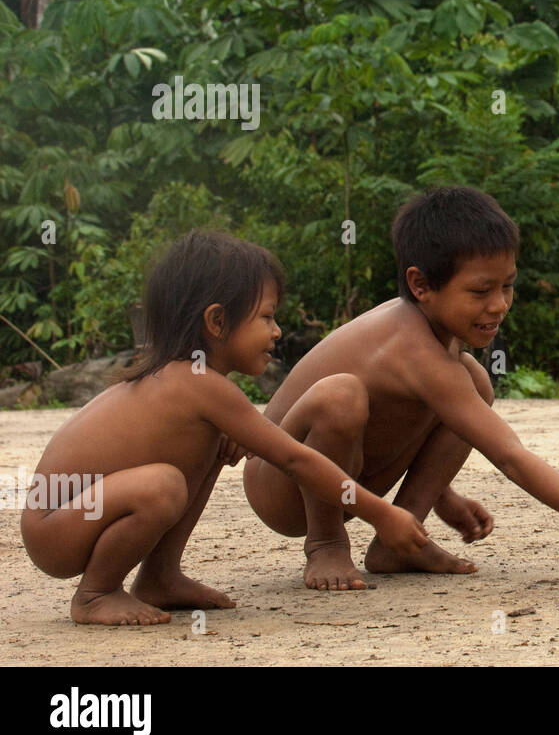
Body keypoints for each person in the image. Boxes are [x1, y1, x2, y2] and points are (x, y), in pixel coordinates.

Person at [243, 185, 559, 590]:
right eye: (480, 290)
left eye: (508, 286)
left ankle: (400, 541)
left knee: (475, 382)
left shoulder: (441, 344)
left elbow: (397, 421)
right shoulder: (409, 344)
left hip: (351, 478)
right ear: (421, 285)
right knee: (340, 396)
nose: (499, 304)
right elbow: (509, 456)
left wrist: (442, 494)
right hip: (280, 487)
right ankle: (326, 544)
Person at [20, 232, 431, 625]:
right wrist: (381, 514)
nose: (277, 331)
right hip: (56, 526)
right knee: (161, 486)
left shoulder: (192, 382)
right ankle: (95, 594)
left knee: (217, 444)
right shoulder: (198, 384)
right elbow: (294, 457)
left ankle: (159, 575)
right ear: (217, 322)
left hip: (70, 517)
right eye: (267, 317)